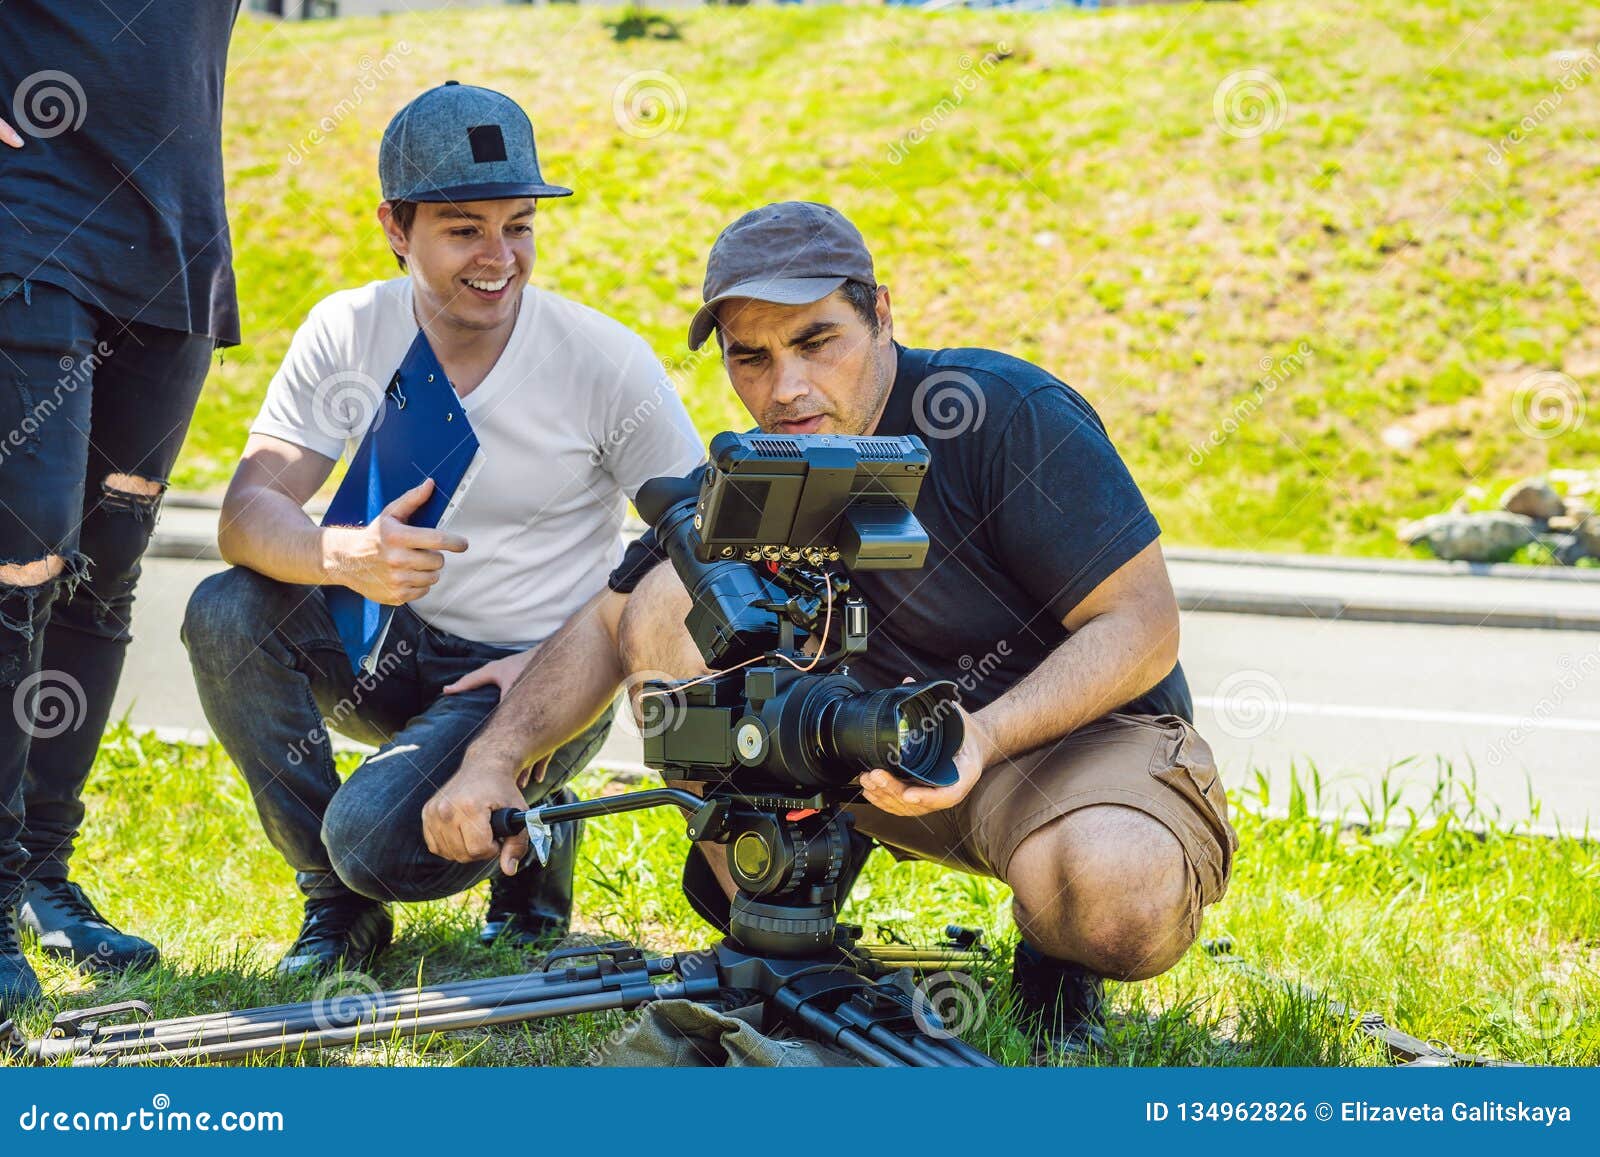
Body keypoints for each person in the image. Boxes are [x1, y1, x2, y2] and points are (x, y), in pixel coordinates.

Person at [438, 201, 1238, 1056]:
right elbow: (607, 624)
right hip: (860, 752)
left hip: (1060, 744)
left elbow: (1144, 624)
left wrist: (982, 733)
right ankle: (777, 924)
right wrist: (491, 759)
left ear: (882, 313)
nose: (785, 389)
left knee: (1121, 902)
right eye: (752, 357)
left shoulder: (1005, 412)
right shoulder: (755, 469)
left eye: (818, 342)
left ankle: (1056, 949)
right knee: (669, 598)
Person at [180, 83, 702, 978]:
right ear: (395, 226)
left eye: (520, 226)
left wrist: (573, 649)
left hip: (532, 677)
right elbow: (244, 513)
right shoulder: (346, 328)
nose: (499, 257)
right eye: (465, 229)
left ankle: (527, 833)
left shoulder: (603, 360)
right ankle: (337, 906)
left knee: (378, 841)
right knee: (224, 610)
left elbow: (700, 535)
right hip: (383, 639)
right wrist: (337, 555)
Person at [0, 2, 243, 1016]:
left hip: (174, 218)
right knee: (23, 552)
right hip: (31, 204)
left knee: (108, 561)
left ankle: (44, 874)